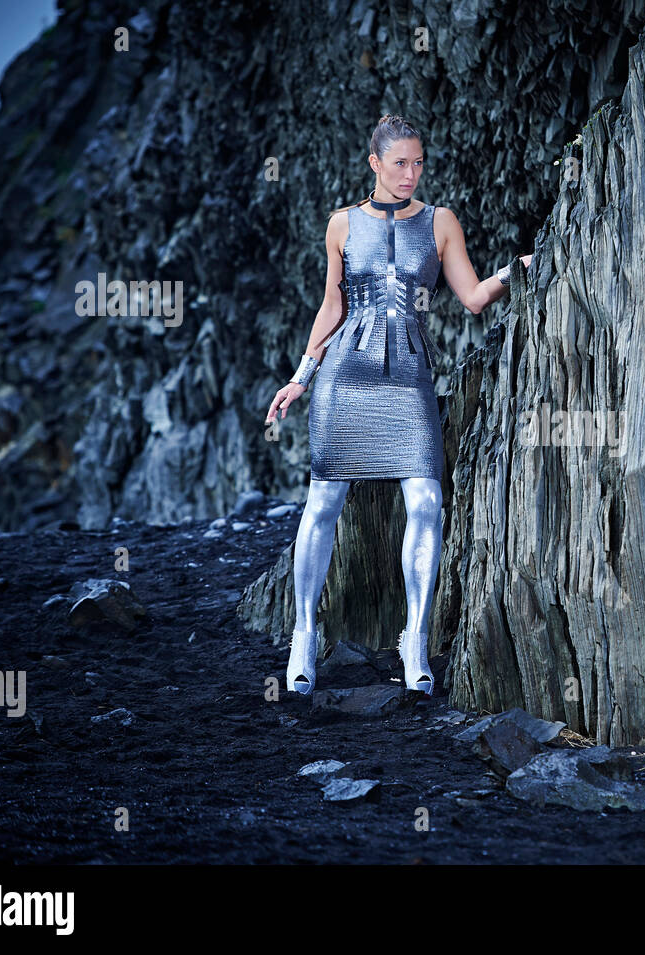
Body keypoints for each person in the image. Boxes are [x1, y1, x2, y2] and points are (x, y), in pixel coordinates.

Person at [265, 114, 531, 697]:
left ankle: (414, 639)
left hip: (408, 375)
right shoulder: (341, 225)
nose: (410, 174)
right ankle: (304, 635)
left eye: (417, 163)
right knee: (324, 499)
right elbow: (330, 308)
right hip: (344, 377)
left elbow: (472, 298)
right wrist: (302, 376)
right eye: (400, 163)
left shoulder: (441, 223)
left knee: (427, 498)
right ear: (375, 165)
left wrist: (518, 270)